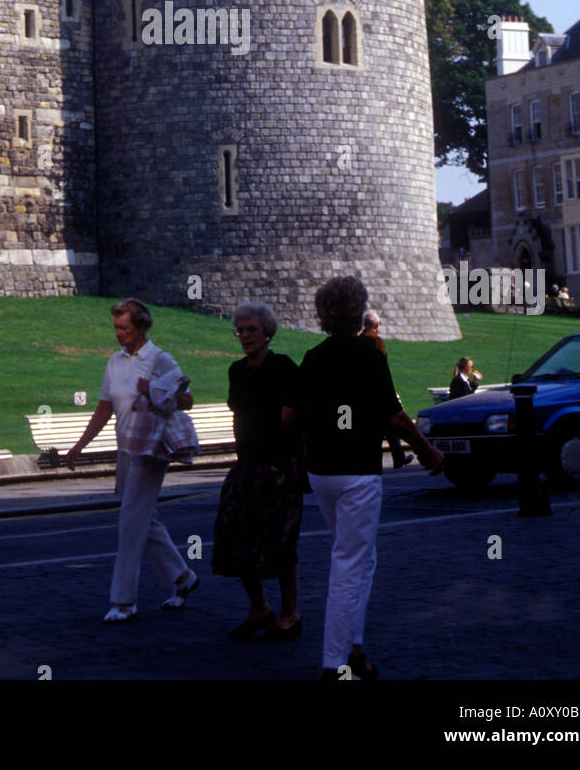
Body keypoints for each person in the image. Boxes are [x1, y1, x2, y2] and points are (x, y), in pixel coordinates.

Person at [282, 275, 444, 680]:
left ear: (322, 314)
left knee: (360, 557)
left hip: (323, 473)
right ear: (359, 311)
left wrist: (306, 448)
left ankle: (354, 649)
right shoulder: (370, 355)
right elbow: (393, 413)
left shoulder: (313, 357)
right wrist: (427, 450)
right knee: (350, 564)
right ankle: (334, 663)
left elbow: (289, 415)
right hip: (357, 472)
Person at [65, 298, 199, 622]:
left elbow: (187, 400)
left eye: (124, 327)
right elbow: (104, 409)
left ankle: (124, 601)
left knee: (129, 521)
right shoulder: (114, 363)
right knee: (142, 518)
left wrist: (154, 390)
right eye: (115, 327)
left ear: (140, 326)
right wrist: (79, 446)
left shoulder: (160, 360)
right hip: (126, 447)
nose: (118, 333)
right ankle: (182, 577)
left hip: (152, 449)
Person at [212, 303, 303, 640]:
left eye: (252, 330)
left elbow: (297, 414)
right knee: (234, 535)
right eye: (241, 330)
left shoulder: (283, 367)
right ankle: (259, 607)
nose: (246, 336)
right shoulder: (237, 371)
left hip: (280, 464)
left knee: (281, 540)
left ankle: (290, 612)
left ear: (267, 332)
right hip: (247, 463)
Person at [361, 310, 412, 469]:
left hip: (362, 395)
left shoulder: (358, 340)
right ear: (376, 324)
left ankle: (397, 457)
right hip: (378, 395)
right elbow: (383, 369)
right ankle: (398, 458)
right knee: (390, 426)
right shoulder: (377, 341)